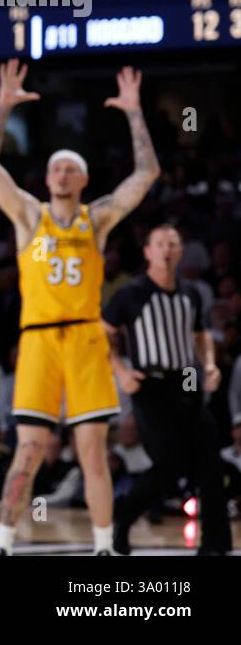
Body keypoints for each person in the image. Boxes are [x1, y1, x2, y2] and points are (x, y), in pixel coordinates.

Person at [0, 61, 159, 555]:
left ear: (83, 178)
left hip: (84, 337)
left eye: (70, 168)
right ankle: (3, 544)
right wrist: (3, 106)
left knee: (92, 452)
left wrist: (135, 114)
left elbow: (146, 174)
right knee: (29, 450)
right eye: (55, 166)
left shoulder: (95, 219)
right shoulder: (28, 215)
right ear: (48, 175)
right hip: (37, 338)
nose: (60, 173)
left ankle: (102, 547)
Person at [103, 224, 232, 555]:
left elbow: (200, 335)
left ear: (181, 250)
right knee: (170, 463)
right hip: (150, 383)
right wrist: (120, 370)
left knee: (209, 461)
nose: (167, 250)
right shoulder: (130, 295)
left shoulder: (190, 293)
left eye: (173, 243)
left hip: (187, 378)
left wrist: (209, 366)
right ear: (147, 251)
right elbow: (101, 334)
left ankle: (216, 545)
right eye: (159, 244)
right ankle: (125, 512)